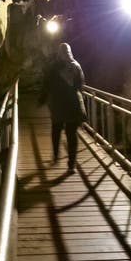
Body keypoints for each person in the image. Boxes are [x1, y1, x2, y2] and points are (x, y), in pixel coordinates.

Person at [40, 42, 86, 171]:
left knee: (56, 129)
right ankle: (71, 164)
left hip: (57, 103)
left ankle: (55, 156)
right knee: (71, 134)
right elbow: (81, 84)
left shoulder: (53, 66)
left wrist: (42, 98)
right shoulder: (76, 66)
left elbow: (46, 84)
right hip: (72, 104)